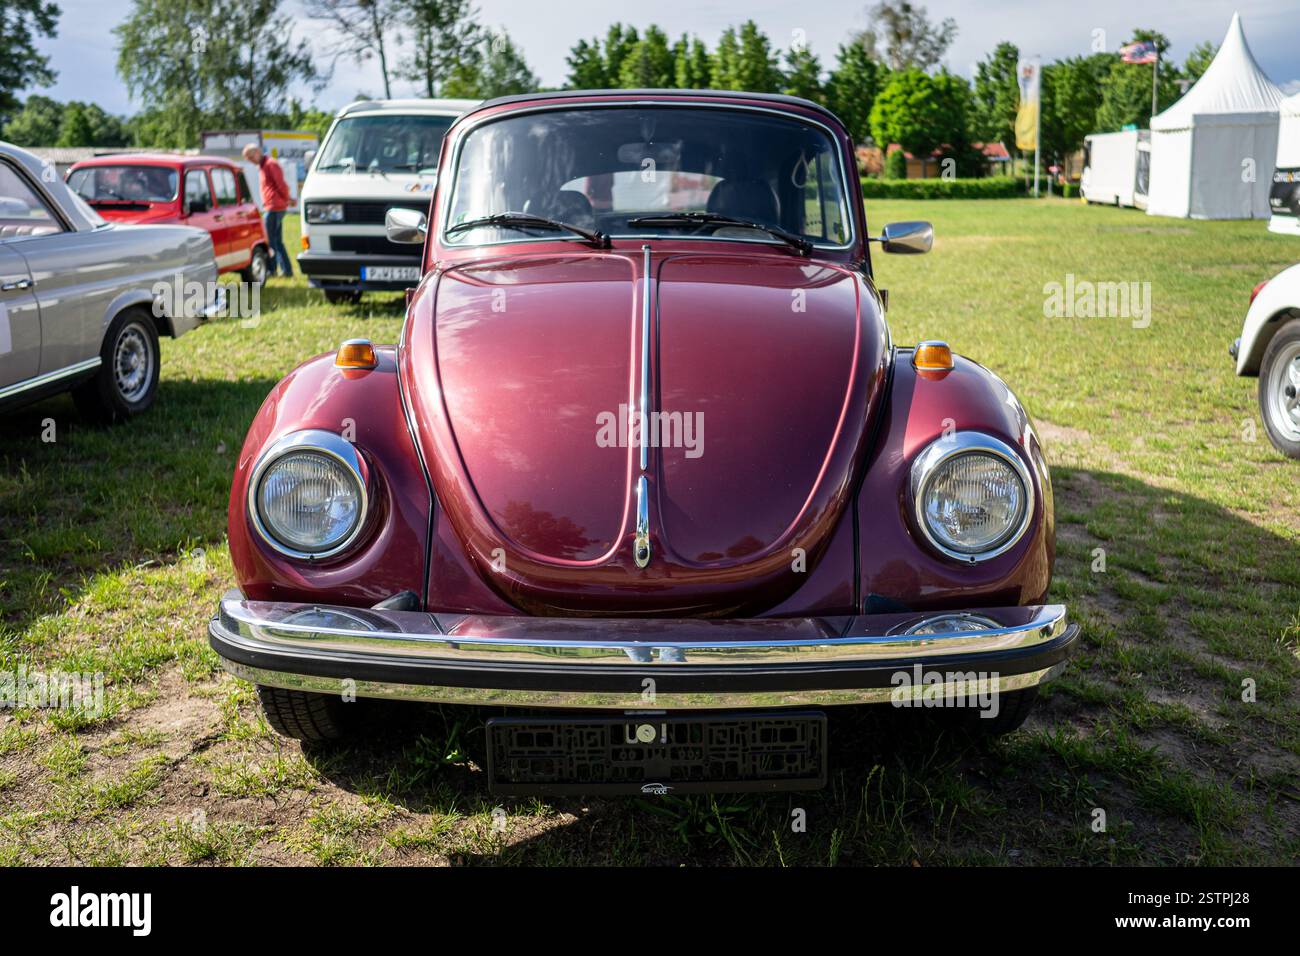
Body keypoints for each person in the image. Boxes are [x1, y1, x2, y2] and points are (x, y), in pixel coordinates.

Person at [242, 143, 292, 278]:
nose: (251, 161)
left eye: (251, 157)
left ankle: (271, 270)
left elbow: (281, 185)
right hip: (273, 206)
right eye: (248, 159)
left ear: (258, 152)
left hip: (274, 207)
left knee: (269, 241)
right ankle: (286, 270)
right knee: (276, 241)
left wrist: (286, 200)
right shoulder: (263, 166)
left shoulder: (270, 164)